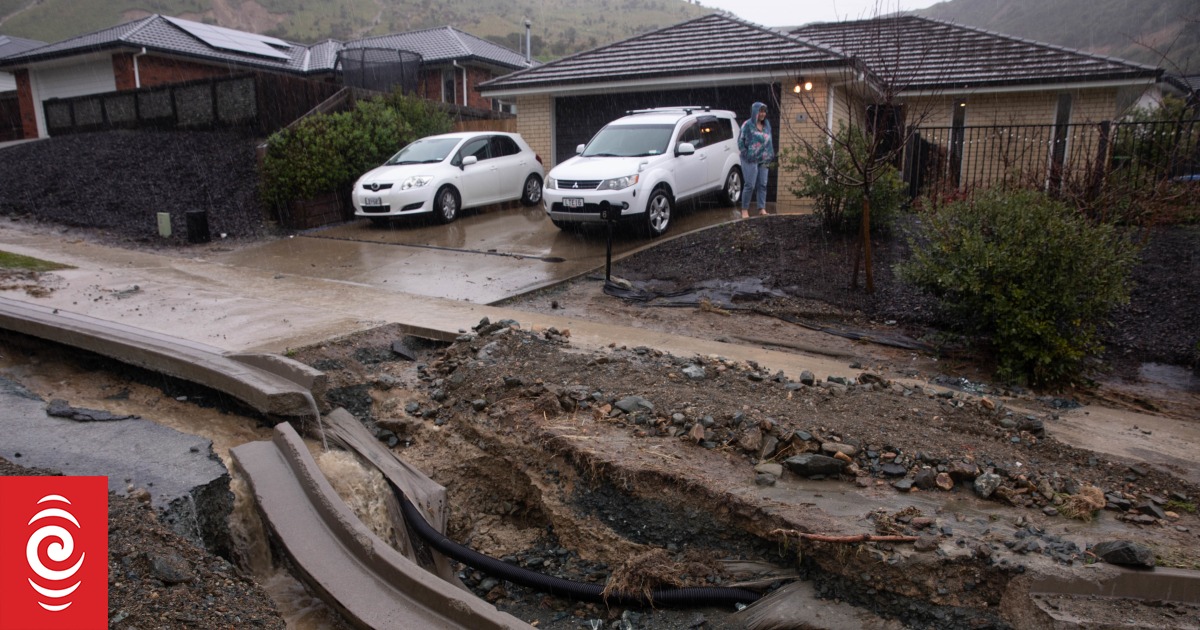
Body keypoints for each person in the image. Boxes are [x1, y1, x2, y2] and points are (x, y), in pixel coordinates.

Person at [737, 102, 774, 218]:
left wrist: (770, 153)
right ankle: (744, 210)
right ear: (755, 112)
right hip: (749, 159)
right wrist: (746, 154)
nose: (762, 114)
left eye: (764, 111)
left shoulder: (767, 124)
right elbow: (740, 141)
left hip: (763, 159)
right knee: (750, 185)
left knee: (762, 184)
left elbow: (769, 140)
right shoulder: (747, 125)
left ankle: (761, 208)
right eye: (760, 111)